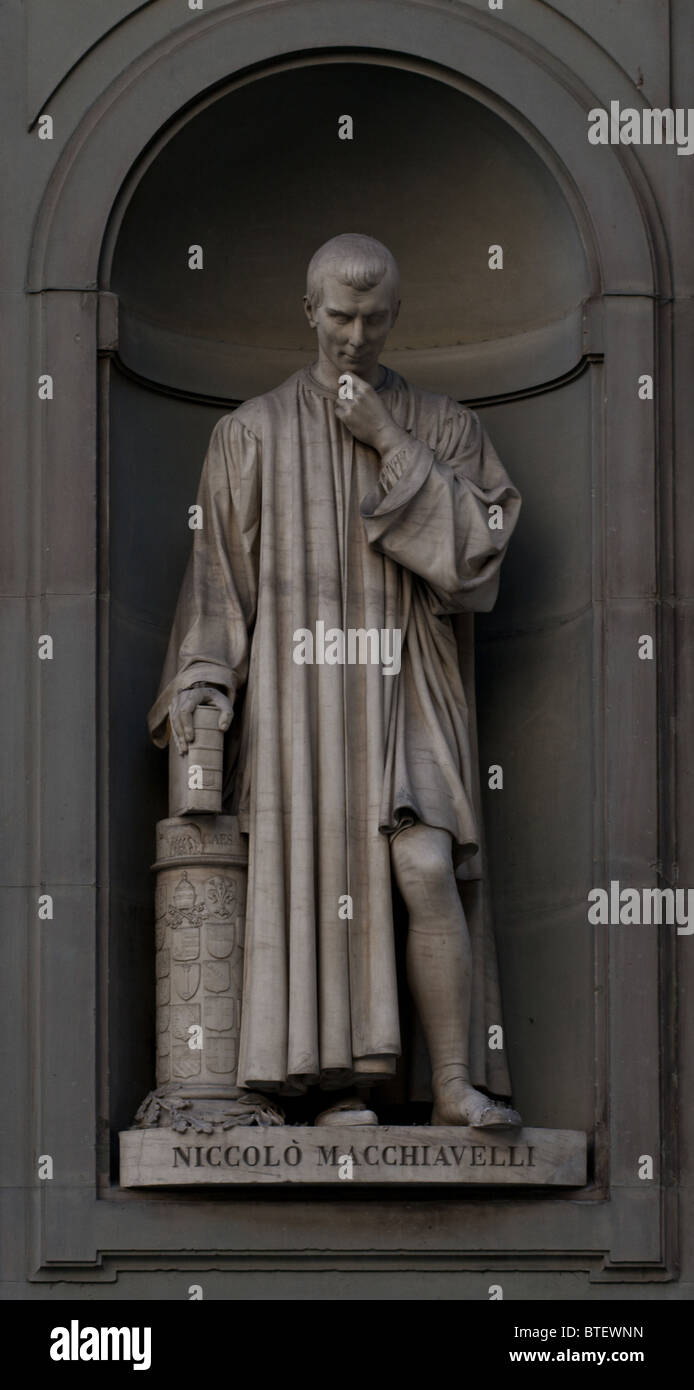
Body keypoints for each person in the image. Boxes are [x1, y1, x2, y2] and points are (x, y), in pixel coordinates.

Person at [148, 234, 522, 1127]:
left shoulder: (445, 427)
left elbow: (476, 560)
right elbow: (217, 588)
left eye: (374, 318)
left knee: (427, 866)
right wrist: (205, 691)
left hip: (409, 681)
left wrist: (386, 438)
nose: (355, 335)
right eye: (340, 317)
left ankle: (455, 1083)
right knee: (321, 882)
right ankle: (336, 1085)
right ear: (308, 312)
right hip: (300, 700)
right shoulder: (251, 433)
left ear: (397, 316)